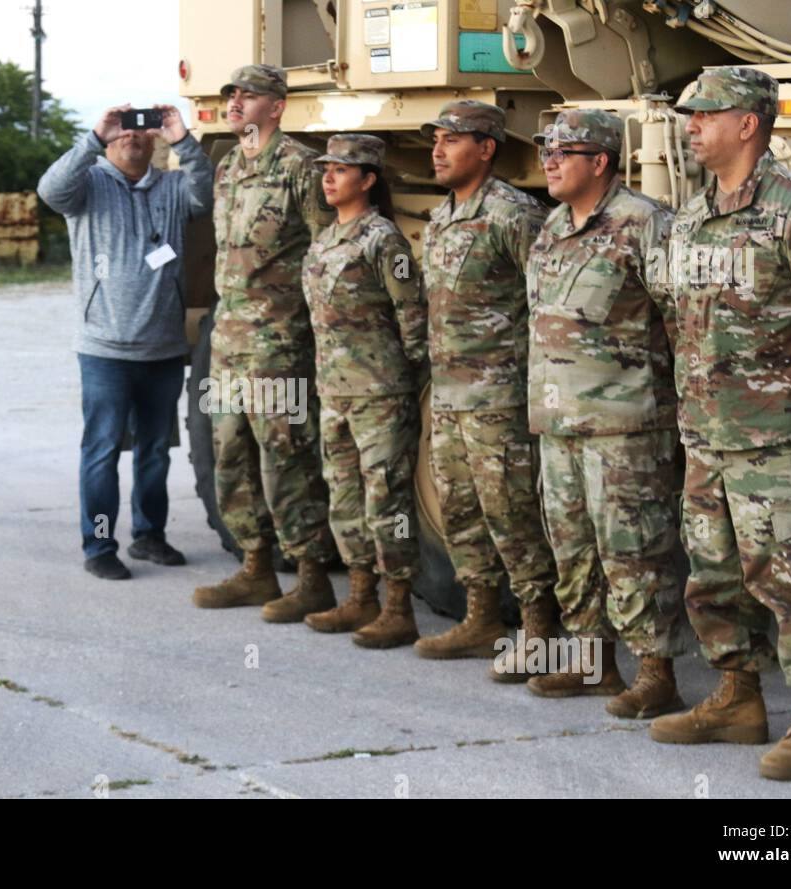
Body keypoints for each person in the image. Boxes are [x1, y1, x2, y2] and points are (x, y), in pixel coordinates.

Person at [649, 67, 791, 780]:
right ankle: (737, 698)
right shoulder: (689, 215)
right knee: (712, 575)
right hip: (705, 434)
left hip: (777, 436)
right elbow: (672, 311)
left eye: (703, 114)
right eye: (688, 116)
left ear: (748, 123)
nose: (690, 126)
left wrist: (785, 375)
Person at [524, 110, 687, 716]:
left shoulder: (645, 224)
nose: (550, 159)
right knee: (572, 549)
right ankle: (593, 662)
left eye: (566, 151)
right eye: (547, 149)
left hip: (625, 426)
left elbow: (681, 321)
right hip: (559, 422)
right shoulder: (550, 228)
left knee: (635, 550)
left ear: (601, 162)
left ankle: (655, 671)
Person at [412, 101, 563, 677]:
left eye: (453, 139)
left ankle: (539, 628)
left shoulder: (513, 215)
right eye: (436, 138)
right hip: (450, 397)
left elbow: (547, 302)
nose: (438, 148)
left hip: (500, 398)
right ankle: (481, 619)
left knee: (514, 516)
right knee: (462, 511)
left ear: (487, 148)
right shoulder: (443, 216)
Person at [38, 102, 213, 580]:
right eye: (121, 131)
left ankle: (149, 536)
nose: (131, 136)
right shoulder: (88, 185)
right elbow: (50, 190)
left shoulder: (174, 187)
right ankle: (98, 546)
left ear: (154, 141)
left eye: (142, 130)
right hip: (104, 350)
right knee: (102, 450)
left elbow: (211, 195)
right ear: (108, 140)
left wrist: (182, 138)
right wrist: (94, 135)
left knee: (156, 450)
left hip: (162, 348)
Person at [192, 65, 337, 619]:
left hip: (280, 342)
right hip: (228, 341)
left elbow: (327, 252)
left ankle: (311, 576)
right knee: (229, 452)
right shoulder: (227, 166)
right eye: (230, 93)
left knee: (286, 457)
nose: (234, 102)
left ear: (276, 107)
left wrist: (320, 334)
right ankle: (255, 568)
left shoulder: (301, 168)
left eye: (247, 95)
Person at [298, 134, 428, 647]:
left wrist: (401, 378)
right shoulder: (326, 239)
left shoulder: (383, 239)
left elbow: (411, 315)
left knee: (388, 502)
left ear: (368, 179)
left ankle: (398, 605)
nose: (329, 177)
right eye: (326, 168)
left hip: (380, 395)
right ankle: (359, 596)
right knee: (345, 497)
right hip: (335, 392)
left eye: (341, 169)